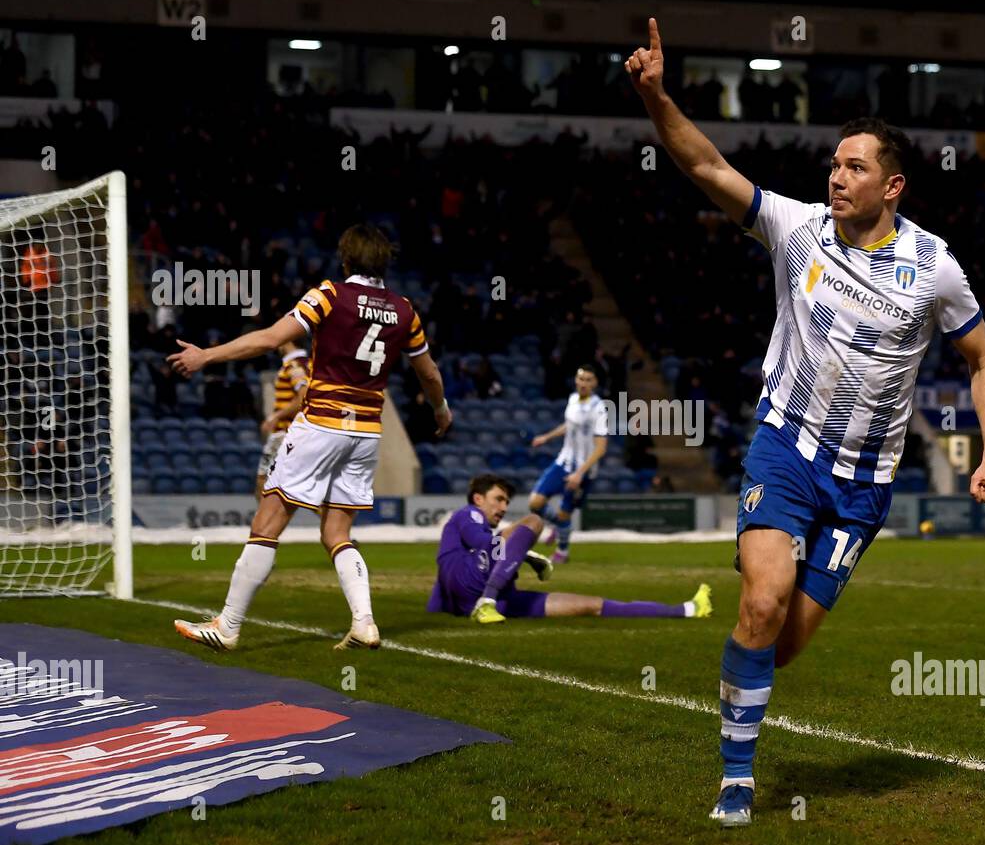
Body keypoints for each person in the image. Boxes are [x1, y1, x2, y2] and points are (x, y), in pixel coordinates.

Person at [625, 18, 985, 826]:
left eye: (855, 166)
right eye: (835, 163)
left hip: (864, 484)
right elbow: (705, 164)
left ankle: (742, 688)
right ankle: (737, 777)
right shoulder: (796, 227)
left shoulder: (934, 267)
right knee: (763, 603)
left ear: (892, 186)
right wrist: (658, 98)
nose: (836, 176)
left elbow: (984, 359)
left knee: (783, 640)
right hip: (786, 448)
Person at [168, 224, 452, 652]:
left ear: (346, 259)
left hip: (320, 422)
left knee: (268, 521)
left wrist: (207, 355)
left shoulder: (330, 295)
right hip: (367, 432)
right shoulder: (404, 310)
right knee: (337, 530)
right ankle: (364, 623)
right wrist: (440, 409)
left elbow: (269, 339)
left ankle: (228, 626)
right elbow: (428, 372)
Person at [430, 474, 712, 623]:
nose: (503, 507)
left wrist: (438, 606)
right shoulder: (467, 513)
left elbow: (445, 581)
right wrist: (521, 546)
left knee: (591, 606)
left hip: (488, 595)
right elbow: (483, 543)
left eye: (506, 501)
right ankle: (487, 602)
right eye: (499, 499)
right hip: (478, 587)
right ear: (478, 498)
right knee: (533, 519)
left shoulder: (462, 541)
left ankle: (685, 609)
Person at [528, 364, 608, 563]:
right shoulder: (573, 399)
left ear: (595, 383)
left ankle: (562, 552)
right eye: (581, 379)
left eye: (589, 380)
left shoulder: (599, 409)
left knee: (565, 514)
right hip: (563, 462)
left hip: (583, 471)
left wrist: (580, 473)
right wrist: (546, 437)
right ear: (575, 380)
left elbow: (601, 447)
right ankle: (560, 526)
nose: (583, 383)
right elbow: (569, 425)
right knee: (535, 502)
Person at [256, 339, 310, 498]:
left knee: (263, 479)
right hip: (298, 432)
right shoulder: (308, 363)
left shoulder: (294, 365)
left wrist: (275, 416)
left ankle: (264, 522)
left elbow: (303, 397)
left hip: (285, 432)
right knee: (299, 485)